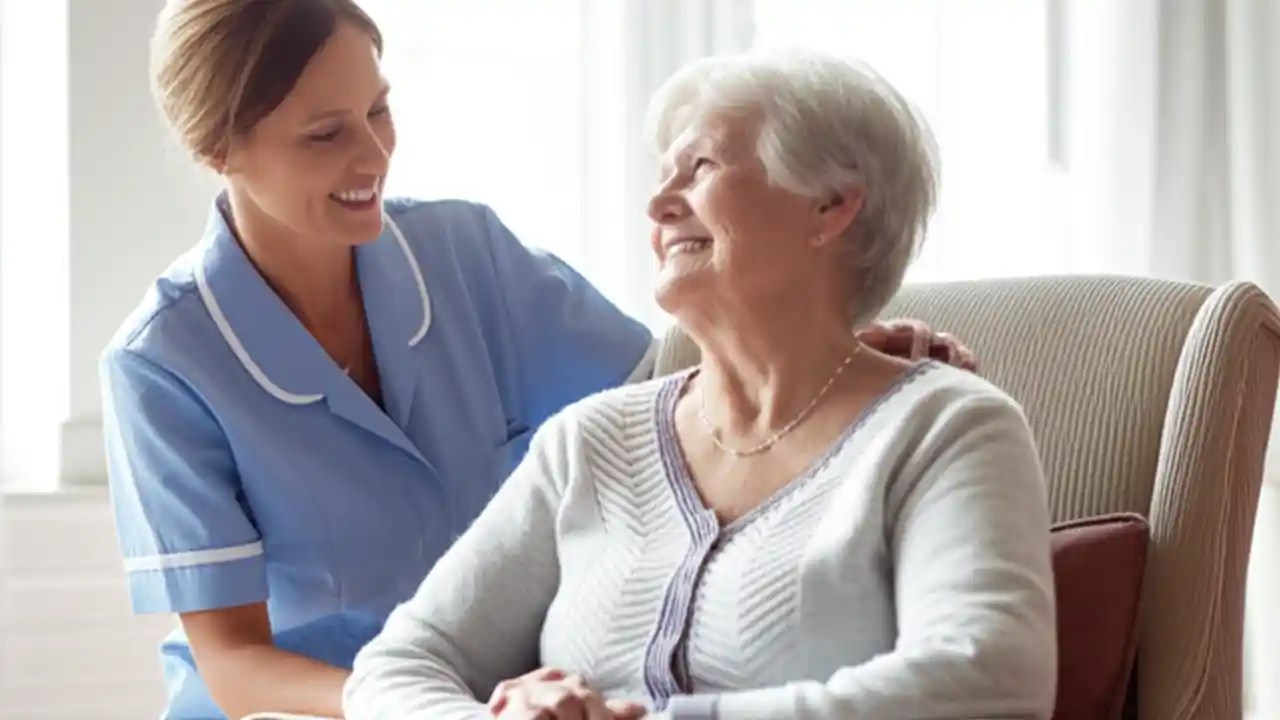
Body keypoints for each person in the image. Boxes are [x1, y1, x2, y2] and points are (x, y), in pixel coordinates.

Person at [100, 2, 974, 719]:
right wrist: (436, 710)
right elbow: (235, 664)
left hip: (505, 695)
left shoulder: (466, 252)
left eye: (379, 109)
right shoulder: (163, 364)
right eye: (324, 136)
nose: (373, 155)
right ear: (221, 151)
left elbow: (669, 393)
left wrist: (832, 352)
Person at [342, 48, 1057, 720]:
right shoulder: (589, 441)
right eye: (661, 177)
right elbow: (396, 667)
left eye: (700, 167)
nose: (658, 207)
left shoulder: (947, 427)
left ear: (832, 205)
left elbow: (989, 675)